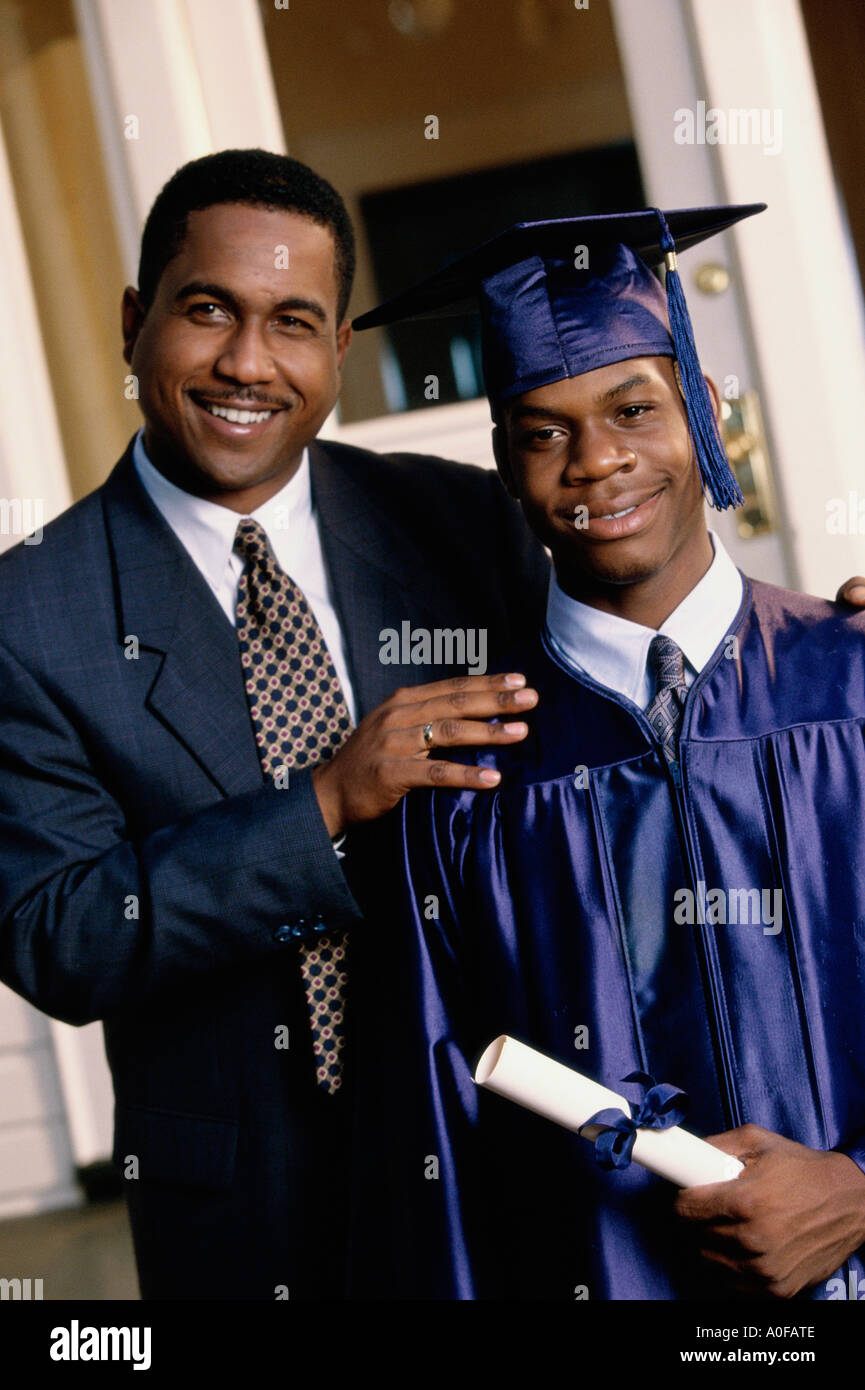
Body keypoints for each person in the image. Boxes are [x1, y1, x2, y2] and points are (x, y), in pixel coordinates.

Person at [0, 148, 551, 1300]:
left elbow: (611, 706)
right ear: (134, 322)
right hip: (254, 1206)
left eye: (292, 322)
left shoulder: (456, 522)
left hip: (504, 1137)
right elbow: (58, 936)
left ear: (338, 350)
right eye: (208, 312)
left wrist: (812, 649)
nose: (248, 363)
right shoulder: (30, 614)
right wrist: (325, 806)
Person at [346, 205, 865, 1300]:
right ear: (501, 463)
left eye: (633, 408)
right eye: (543, 432)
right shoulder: (461, 780)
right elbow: (438, 1146)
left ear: (704, 414)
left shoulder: (854, 686)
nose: (597, 463)